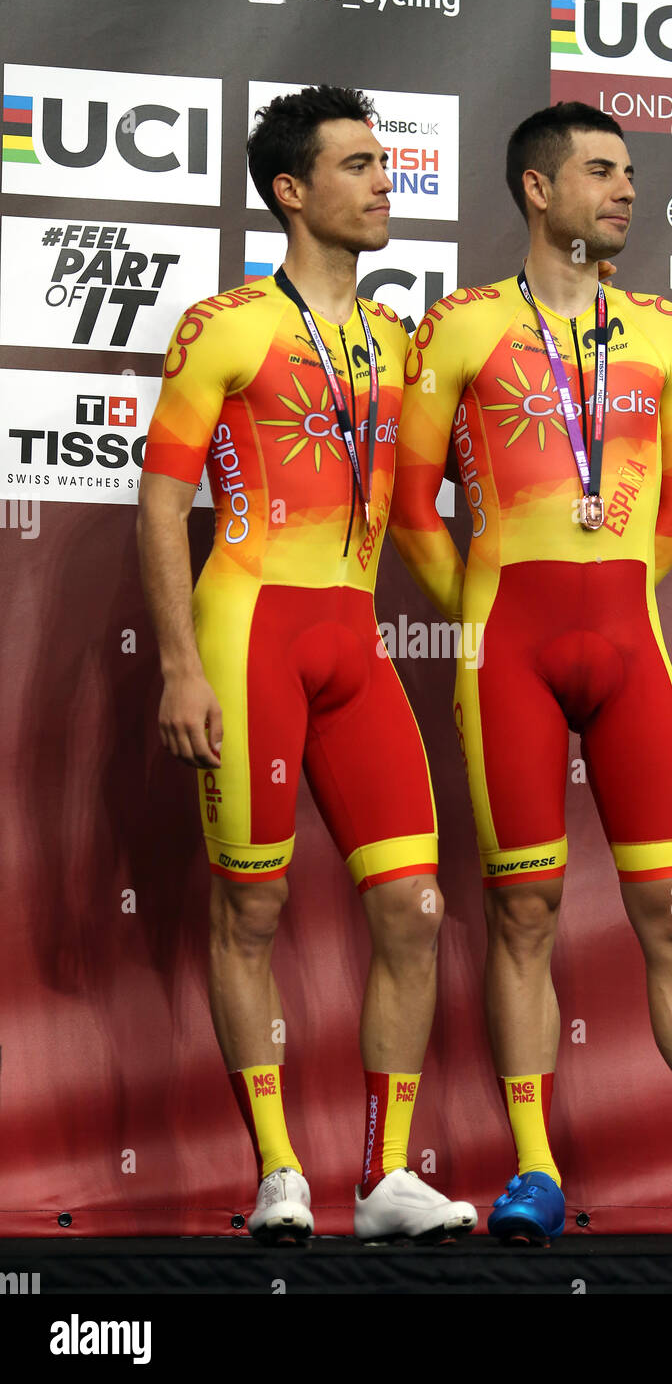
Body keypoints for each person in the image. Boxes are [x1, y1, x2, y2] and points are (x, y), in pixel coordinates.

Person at [388, 101, 672, 1249]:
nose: (624, 190)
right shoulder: (463, 327)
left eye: (628, 171)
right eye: (598, 171)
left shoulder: (661, 332)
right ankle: (532, 1171)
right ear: (537, 192)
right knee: (522, 912)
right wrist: (480, 612)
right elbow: (408, 506)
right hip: (508, 653)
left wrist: (612, 580)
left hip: (629, 643)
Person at [137, 85, 476, 1246]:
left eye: (385, 164)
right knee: (255, 905)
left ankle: (384, 1175)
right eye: (359, 165)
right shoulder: (225, 324)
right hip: (247, 629)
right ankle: (280, 1169)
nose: (386, 183)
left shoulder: (397, 341)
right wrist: (179, 667)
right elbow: (161, 500)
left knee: (416, 914)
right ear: (291, 189)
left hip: (353, 641)